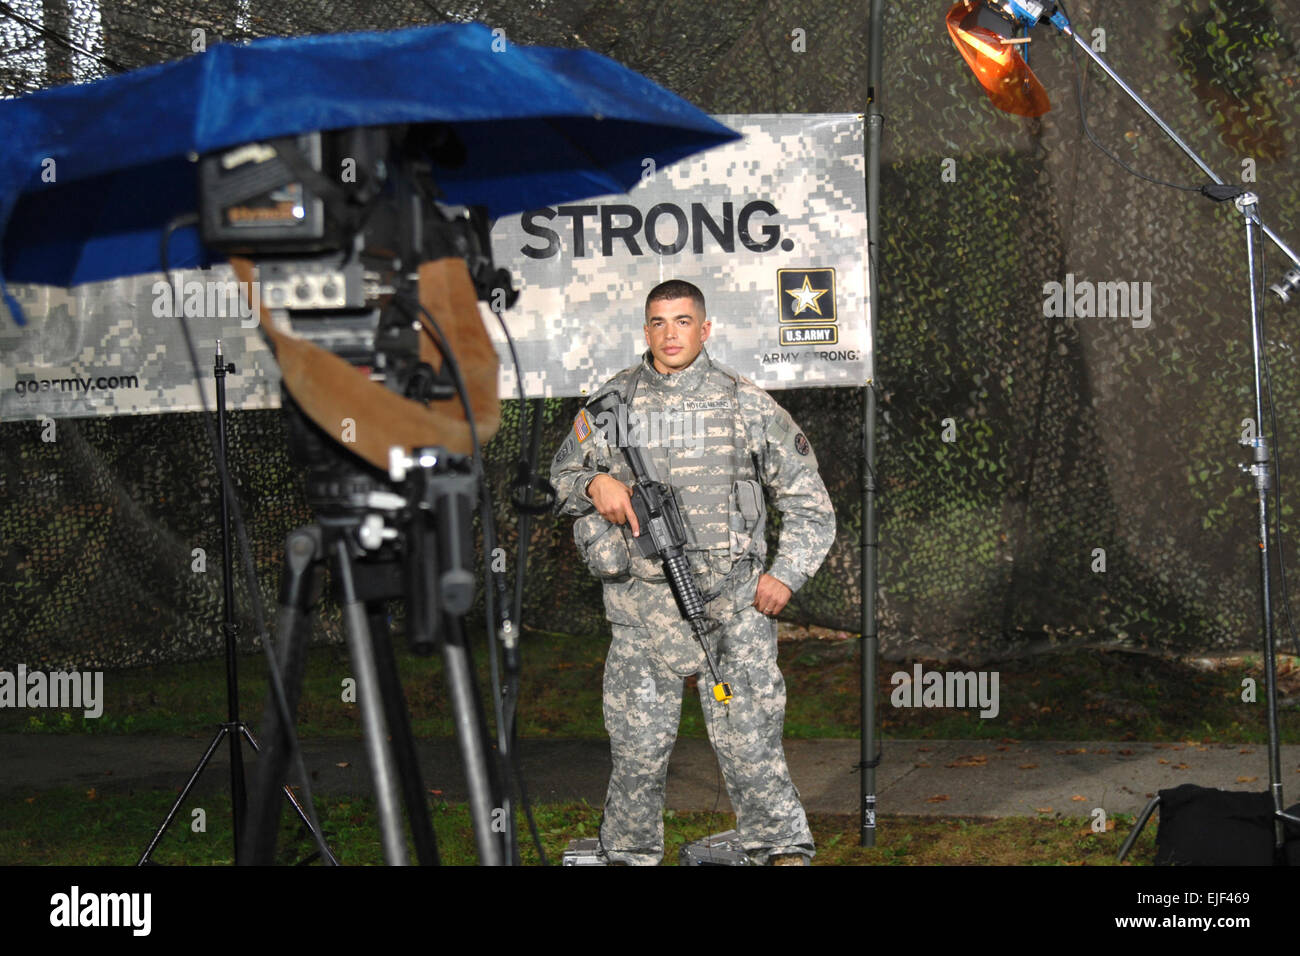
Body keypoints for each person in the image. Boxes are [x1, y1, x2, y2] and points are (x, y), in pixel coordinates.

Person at [550, 278, 836, 866]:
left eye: (682, 321)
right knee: (637, 750)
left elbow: (811, 504)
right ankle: (629, 853)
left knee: (751, 742)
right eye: (658, 322)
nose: (670, 333)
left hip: (732, 610)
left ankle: (779, 849)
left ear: (705, 329)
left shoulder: (745, 403)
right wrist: (592, 482)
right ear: (645, 330)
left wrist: (786, 575)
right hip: (640, 613)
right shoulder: (612, 403)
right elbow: (559, 480)